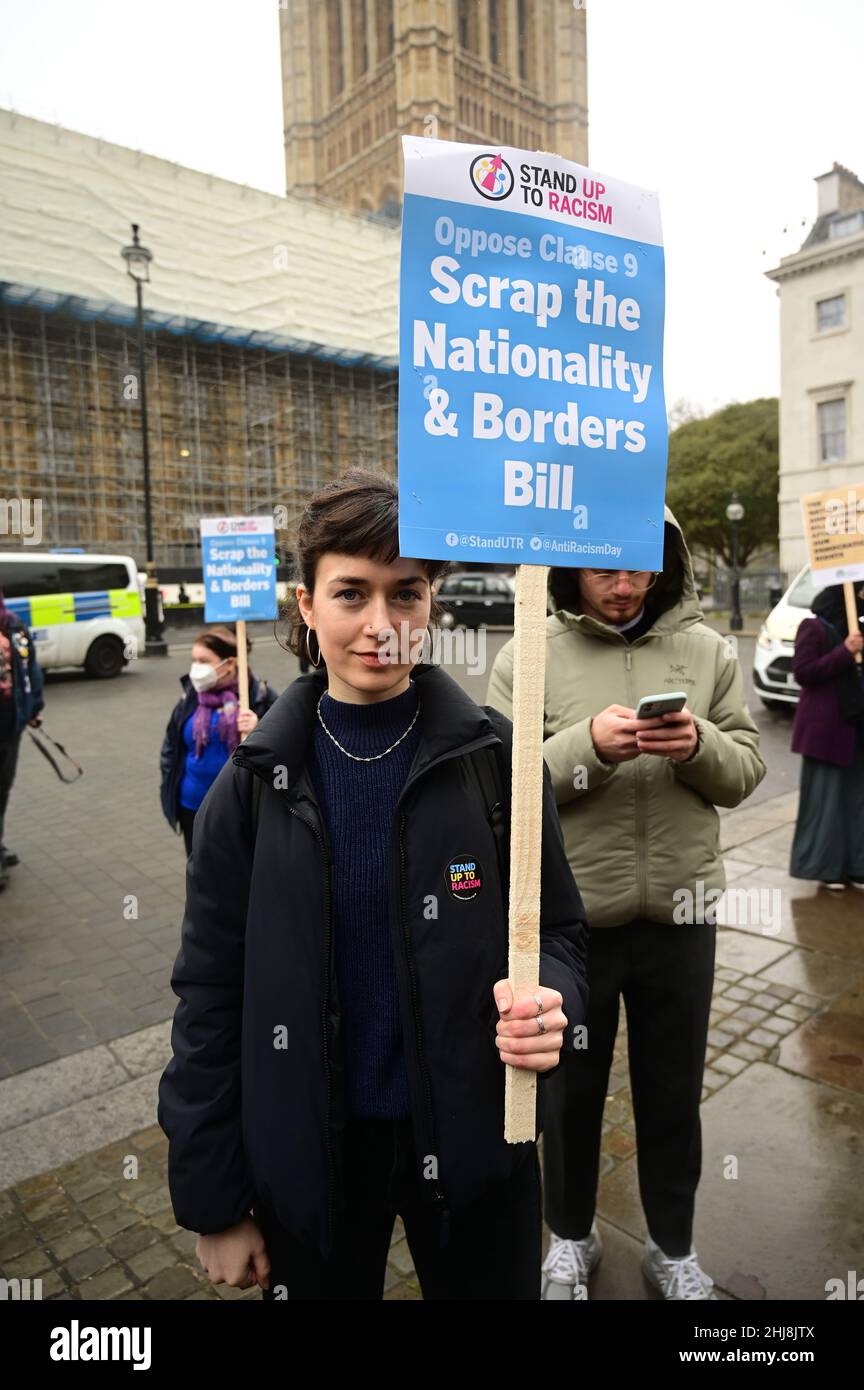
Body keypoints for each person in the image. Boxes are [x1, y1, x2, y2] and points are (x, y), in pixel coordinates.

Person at [157, 467, 589, 1301]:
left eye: (407, 594)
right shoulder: (252, 785)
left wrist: (553, 1004)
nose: (381, 626)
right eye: (352, 594)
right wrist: (215, 1199)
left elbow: (562, 933)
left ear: (434, 604)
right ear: (306, 605)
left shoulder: (496, 762)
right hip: (313, 1163)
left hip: (475, 1147)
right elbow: (209, 996)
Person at [487, 509, 766, 1301]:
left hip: (682, 916)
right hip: (573, 924)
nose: (623, 586)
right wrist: (588, 751)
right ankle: (569, 1241)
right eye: (606, 569)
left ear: (665, 563)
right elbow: (502, 788)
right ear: (572, 566)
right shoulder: (527, 654)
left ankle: (673, 1248)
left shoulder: (708, 649)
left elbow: (745, 771)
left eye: (640, 569)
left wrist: (700, 746)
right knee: (569, 1091)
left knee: (673, 1093)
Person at [160, 625, 277, 854]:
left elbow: (286, 752)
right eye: (194, 660)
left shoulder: (259, 697)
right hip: (191, 807)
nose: (196, 669)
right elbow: (171, 747)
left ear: (230, 664)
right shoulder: (190, 698)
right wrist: (169, 786)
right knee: (200, 879)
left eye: (204, 661)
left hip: (238, 812)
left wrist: (259, 728)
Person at [789, 582, 864, 890]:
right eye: (860, 594)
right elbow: (804, 672)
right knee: (828, 804)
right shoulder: (813, 628)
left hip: (855, 729)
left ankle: (856, 865)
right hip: (826, 734)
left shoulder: (857, 630)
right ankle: (826, 867)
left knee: (856, 801)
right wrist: (845, 652)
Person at [0, 589, 44, 889]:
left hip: (8, 724)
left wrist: (33, 707)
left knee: (3, 787)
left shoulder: (14, 624)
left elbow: (29, 669)